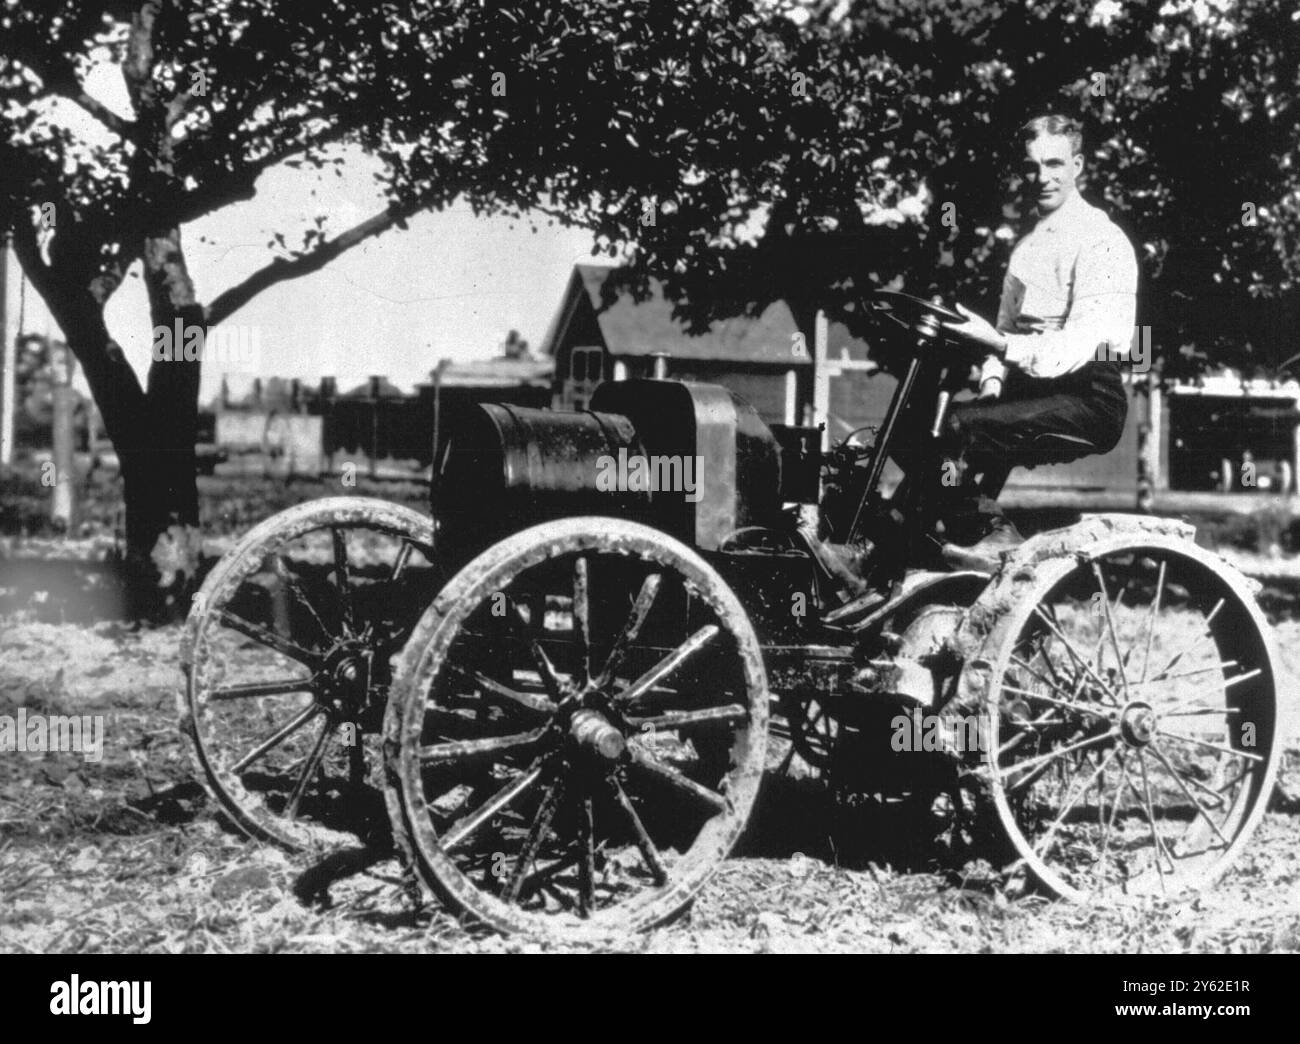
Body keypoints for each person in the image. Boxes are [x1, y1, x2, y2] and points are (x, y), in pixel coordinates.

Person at [936, 113, 1138, 568]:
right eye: (1031, 167)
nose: (1042, 178)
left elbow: (1079, 344)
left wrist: (1002, 350)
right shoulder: (1026, 249)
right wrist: (992, 379)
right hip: (1032, 390)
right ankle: (890, 546)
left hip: (1088, 398)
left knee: (954, 426)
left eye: (1054, 164)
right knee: (924, 427)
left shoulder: (1103, 240)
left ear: (1078, 165)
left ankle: (995, 536)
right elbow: (1006, 328)